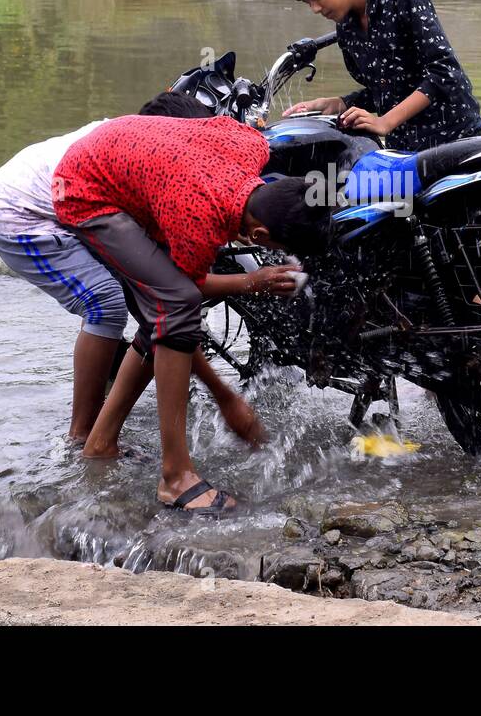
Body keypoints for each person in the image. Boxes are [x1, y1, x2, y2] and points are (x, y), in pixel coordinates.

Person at [0, 92, 294, 446]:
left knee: (148, 303)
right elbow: (173, 300)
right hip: (17, 214)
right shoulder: (147, 175)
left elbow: (168, 309)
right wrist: (248, 284)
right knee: (105, 304)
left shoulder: (146, 151)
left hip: (69, 200)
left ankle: (104, 419)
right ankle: (81, 436)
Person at [53, 114, 332, 516]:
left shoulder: (253, 147)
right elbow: (188, 289)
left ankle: (100, 444)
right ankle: (175, 476)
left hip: (126, 154)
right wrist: (252, 281)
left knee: (164, 312)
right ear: (258, 238)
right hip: (84, 189)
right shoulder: (198, 216)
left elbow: (226, 124)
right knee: (178, 303)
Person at [282, 0, 481, 151]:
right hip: (402, 149)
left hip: (455, 139)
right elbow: (383, 92)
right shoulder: (346, 29)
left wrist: (385, 121)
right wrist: (338, 103)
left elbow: (445, 73)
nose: (315, 8)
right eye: (308, 3)